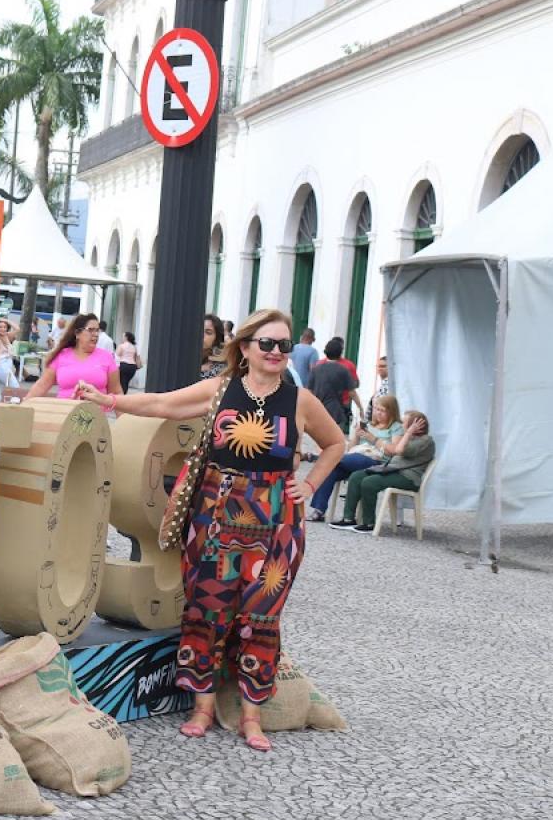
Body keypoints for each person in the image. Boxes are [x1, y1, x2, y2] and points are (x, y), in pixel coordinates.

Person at [75, 308, 345, 752]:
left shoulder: (299, 400)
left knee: (261, 615)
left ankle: (251, 716)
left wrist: (311, 483)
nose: (277, 352)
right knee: (207, 607)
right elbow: (163, 403)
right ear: (245, 347)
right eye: (268, 344)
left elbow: (336, 442)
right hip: (215, 513)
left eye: (285, 345)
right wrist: (109, 402)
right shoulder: (222, 389)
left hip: (278, 519)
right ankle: (202, 708)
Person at [332, 411, 435, 533]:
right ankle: (348, 519)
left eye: (405, 423)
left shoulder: (426, 441)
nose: (402, 425)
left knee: (370, 482)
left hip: (408, 478)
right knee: (356, 476)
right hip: (392, 471)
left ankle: (369, 523)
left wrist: (408, 433)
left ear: (414, 426)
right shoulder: (409, 437)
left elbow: (399, 450)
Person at [307, 394, 404, 521]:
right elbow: (351, 448)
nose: (378, 413)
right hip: (356, 457)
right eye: (376, 409)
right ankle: (319, 510)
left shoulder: (396, 427)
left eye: (382, 410)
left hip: (377, 461)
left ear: (391, 411)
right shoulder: (369, 424)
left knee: (333, 462)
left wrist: (373, 439)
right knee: (330, 470)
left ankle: (323, 459)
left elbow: (393, 451)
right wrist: (357, 436)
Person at [26, 313, 121, 400]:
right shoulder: (61, 355)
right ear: (77, 333)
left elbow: (116, 392)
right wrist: (24, 405)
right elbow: (42, 385)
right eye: (91, 330)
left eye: (97, 331)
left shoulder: (107, 357)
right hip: (64, 415)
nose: (95, 334)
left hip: (96, 416)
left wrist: (124, 418)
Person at [309, 338, 360, 431]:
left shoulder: (317, 368)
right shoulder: (345, 368)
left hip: (319, 408)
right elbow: (352, 390)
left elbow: (309, 391)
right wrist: (360, 408)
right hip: (338, 408)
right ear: (340, 352)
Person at [0, 318, 20, 395]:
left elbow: (17, 328)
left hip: (8, 364)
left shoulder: (8, 336)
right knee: (15, 385)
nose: (3, 329)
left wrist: (6, 320)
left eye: (4, 327)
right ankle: (15, 400)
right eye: (0, 327)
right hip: (1, 365)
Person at [200, 313, 227, 379]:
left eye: (208, 332)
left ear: (217, 339)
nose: (201, 335)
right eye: (199, 330)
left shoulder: (221, 368)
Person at [367, 355, 391, 420]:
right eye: (378, 366)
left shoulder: (389, 385)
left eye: (383, 366)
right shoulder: (383, 384)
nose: (380, 368)